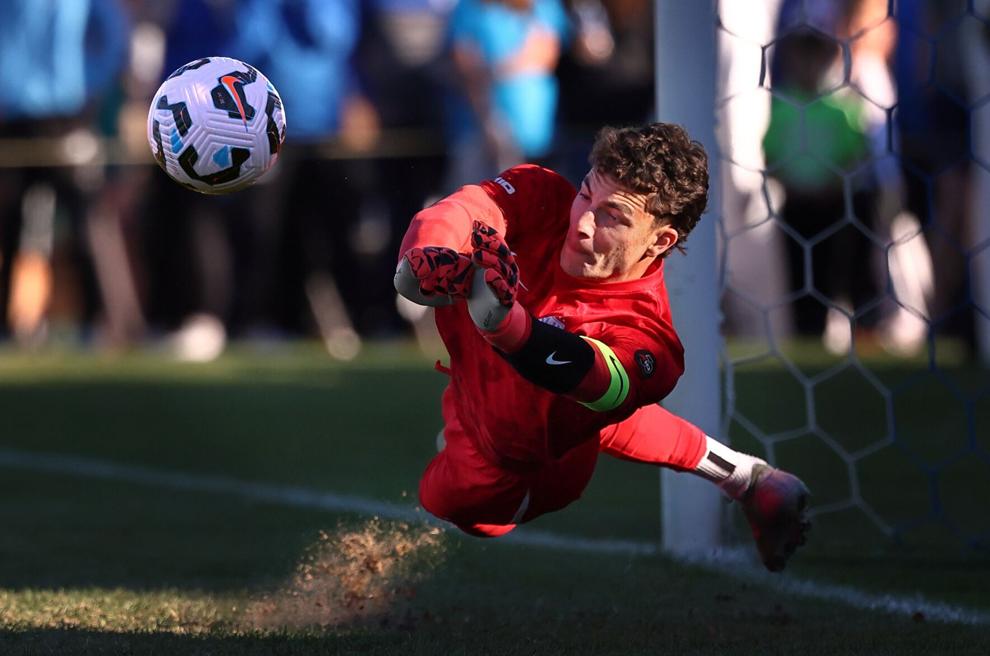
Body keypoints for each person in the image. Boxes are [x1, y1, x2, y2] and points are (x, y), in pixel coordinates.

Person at [393, 122, 811, 572]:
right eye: (587, 193)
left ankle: (744, 479)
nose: (583, 222)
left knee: (446, 496)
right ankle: (749, 479)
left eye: (613, 215)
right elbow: (464, 207)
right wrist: (425, 255)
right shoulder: (545, 193)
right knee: (586, 409)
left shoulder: (649, 336)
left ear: (661, 240)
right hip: (480, 383)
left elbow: (593, 379)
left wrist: (507, 325)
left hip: (517, 470)